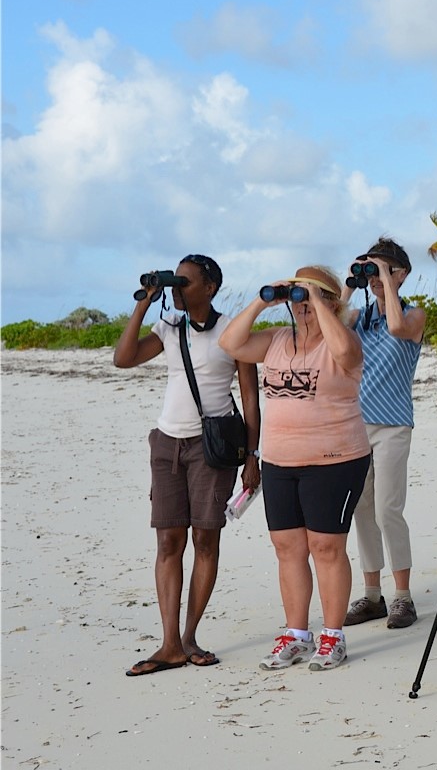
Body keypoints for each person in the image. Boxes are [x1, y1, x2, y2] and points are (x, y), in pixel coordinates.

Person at [113, 254, 261, 676]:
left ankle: (190, 637)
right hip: (166, 444)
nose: (177, 288)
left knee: (206, 540)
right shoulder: (169, 326)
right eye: (174, 281)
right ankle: (170, 644)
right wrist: (144, 303)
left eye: (185, 282)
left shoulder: (232, 331)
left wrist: (252, 456)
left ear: (210, 288)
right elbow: (124, 358)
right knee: (167, 542)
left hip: (211, 448)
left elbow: (250, 397)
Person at [220, 266, 371, 671]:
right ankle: (297, 634)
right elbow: (230, 343)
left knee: (326, 547)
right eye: (298, 298)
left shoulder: (344, 339)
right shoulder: (276, 339)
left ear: (333, 302)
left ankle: (333, 636)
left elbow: (345, 354)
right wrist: (263, 300)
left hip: (335, 460)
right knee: (287, 547)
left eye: (312, 297)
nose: (302, 305)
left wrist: (319, 302)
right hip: (280, 461)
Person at [340, 238, 427, 630]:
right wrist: (350, 282)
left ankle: (402, 596)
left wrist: (387, 281)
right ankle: (372, 595)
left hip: (393, 424)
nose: (375, 277)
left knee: (387, 509)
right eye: (372, 270)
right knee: (362, 509)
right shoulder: (359, 317)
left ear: (402, 274)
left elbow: (396, 326)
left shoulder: (414, 315)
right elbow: (329, 328)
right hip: (357, 425)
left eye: (385, 269)